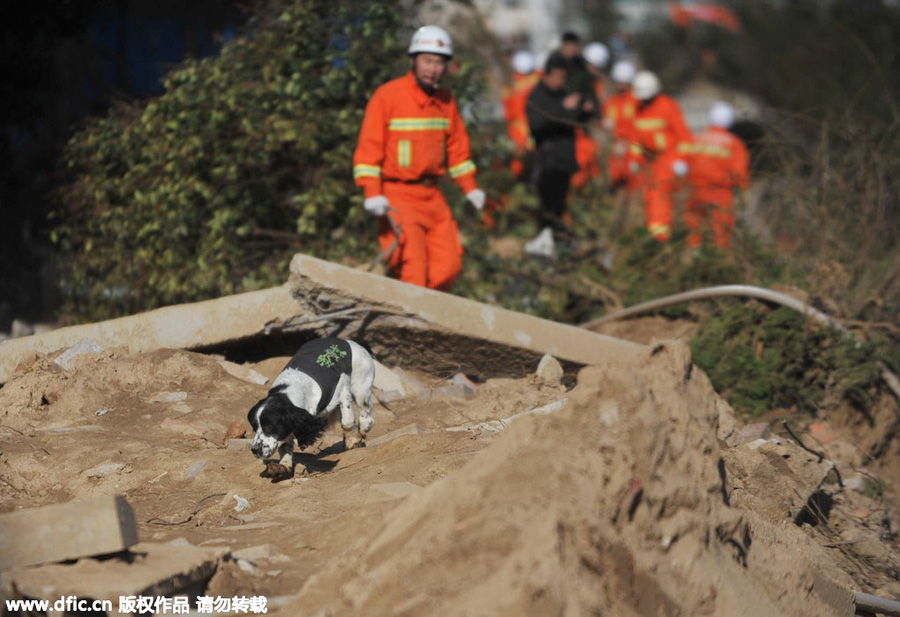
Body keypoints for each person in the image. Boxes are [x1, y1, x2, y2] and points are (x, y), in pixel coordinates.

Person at [353, 26, 485, 290]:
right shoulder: (388, 96)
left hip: (433, 197)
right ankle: (407, 327)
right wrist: (372, 192)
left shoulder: (446, 101)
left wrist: (470, 188)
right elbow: (369, 149)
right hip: (398, 195)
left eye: (439, 62)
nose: (432, 68)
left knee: (448, 269)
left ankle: (420, 319)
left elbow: (458, 150)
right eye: (427, 60)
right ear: (412, 60)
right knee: (413, 270)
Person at [524, 55, 594, 258]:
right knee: (548, 207)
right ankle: (544, 247)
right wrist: (565, 108)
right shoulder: (537, 96)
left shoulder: (562, 94)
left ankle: (554, 245)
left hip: (564, 160)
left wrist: (583, 111)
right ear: (547, 75)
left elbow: (572, 120)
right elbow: (538, 124)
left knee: (559, 206)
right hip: (548, 162)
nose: (560, 82)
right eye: (557, 77)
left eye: (563, 78)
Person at [625, 70, 693, 242]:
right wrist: (633, 161)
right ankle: (655, 235)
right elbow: (635, 140)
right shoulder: (637, 108)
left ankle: (660, 239)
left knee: (659, 198)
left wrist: (681, 161)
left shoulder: (667, 106)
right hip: (649, 162)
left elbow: (684, 137)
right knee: (648, 198)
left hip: (668, 158)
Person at [684, 101, 749, 250]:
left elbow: (685, 164)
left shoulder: (697, 139)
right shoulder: (734, 144)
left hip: (695, 192)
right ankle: (717, 263)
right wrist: (743, 194)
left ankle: (693, 259)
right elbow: (739, 175)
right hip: (720, 194)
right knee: (720, 232)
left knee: (694, 230)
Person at [502, 50, 539, 180]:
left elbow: (509, 115)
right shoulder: (540, 81)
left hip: (520, 135)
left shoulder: (511, 88)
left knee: (518, 169)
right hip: (535, 134)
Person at [602, 60, 638, 192]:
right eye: (618, 82)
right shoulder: (611, 102)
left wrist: (628, 144)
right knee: (615, 183)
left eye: (623, 82)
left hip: (633, 149)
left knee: (634, 184)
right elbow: (606, 125)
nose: (620, 85)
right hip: (616, 150)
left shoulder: (636, 100)